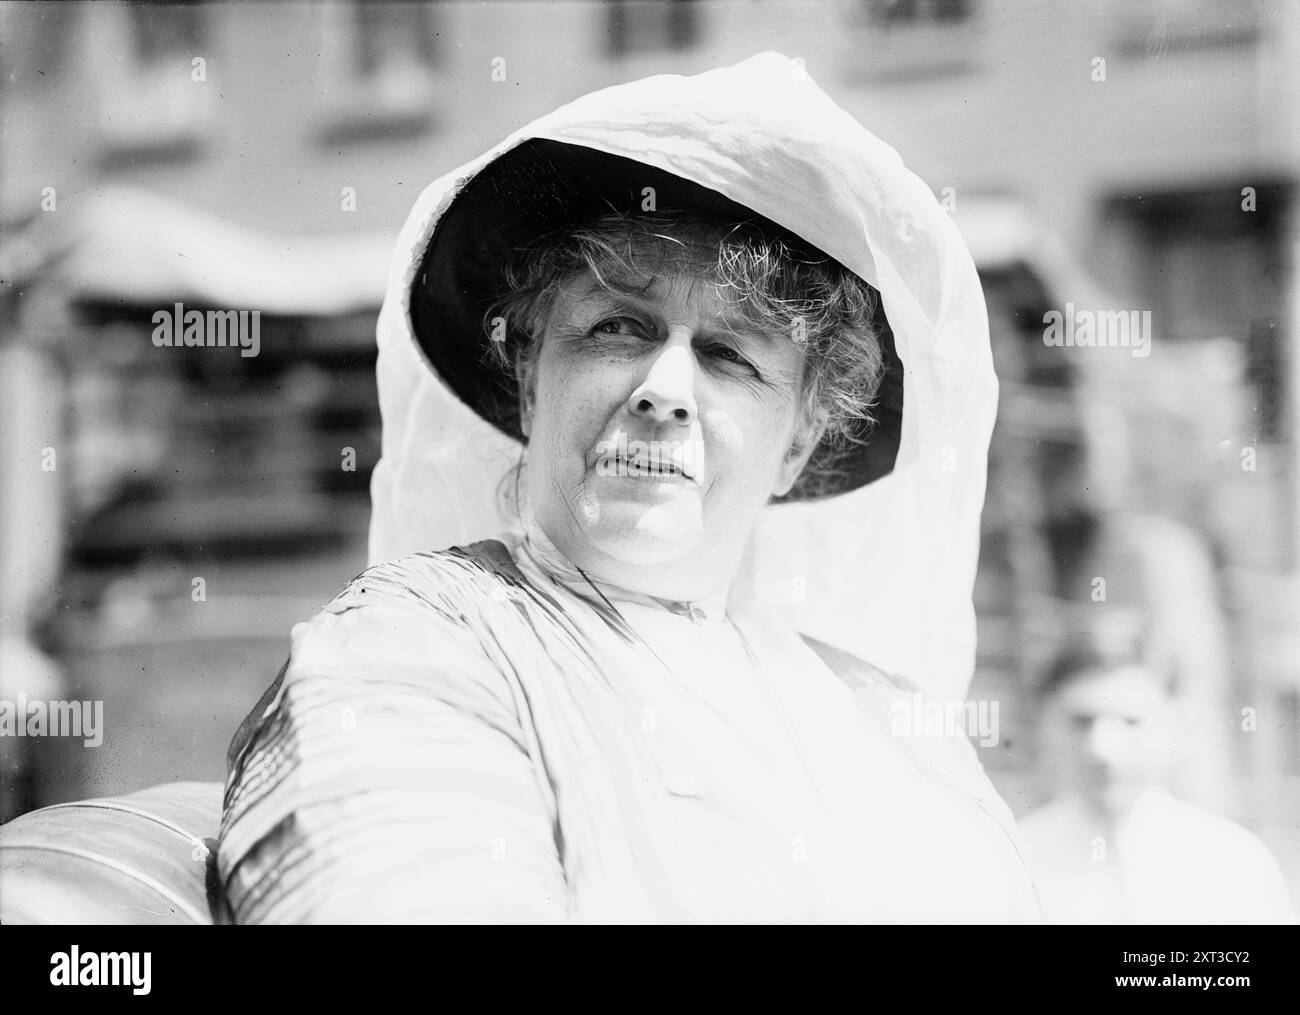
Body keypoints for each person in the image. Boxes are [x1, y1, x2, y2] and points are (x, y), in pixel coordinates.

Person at [216, 52, 1038, 923]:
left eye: (730, 355)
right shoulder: (413, 656)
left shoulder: (875, 718)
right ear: (530, 376)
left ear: (798, 440)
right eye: (617, 327)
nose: (665, 389)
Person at [1017, 641, 1295, 923]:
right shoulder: (1015, 861)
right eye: (1082, 721)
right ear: (1043, 723)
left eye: (1131, 721)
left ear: (1178, 724)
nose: (1102, 748)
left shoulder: (1235, 861)